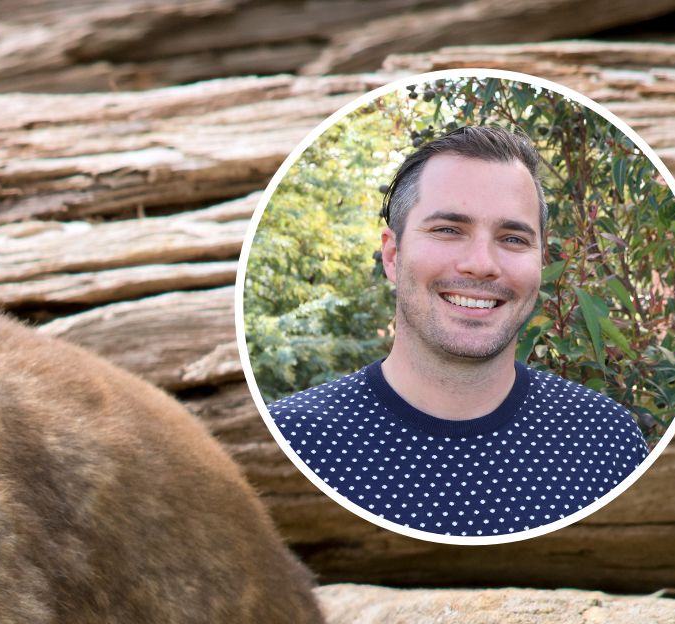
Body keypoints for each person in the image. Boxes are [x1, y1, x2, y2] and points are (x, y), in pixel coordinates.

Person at [266, 125, 649, 538]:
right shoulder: (294, 441)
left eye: (513, 238)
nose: (481, 263)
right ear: (393, 255)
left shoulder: (604, 442)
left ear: (541, 260)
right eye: (448, 230)